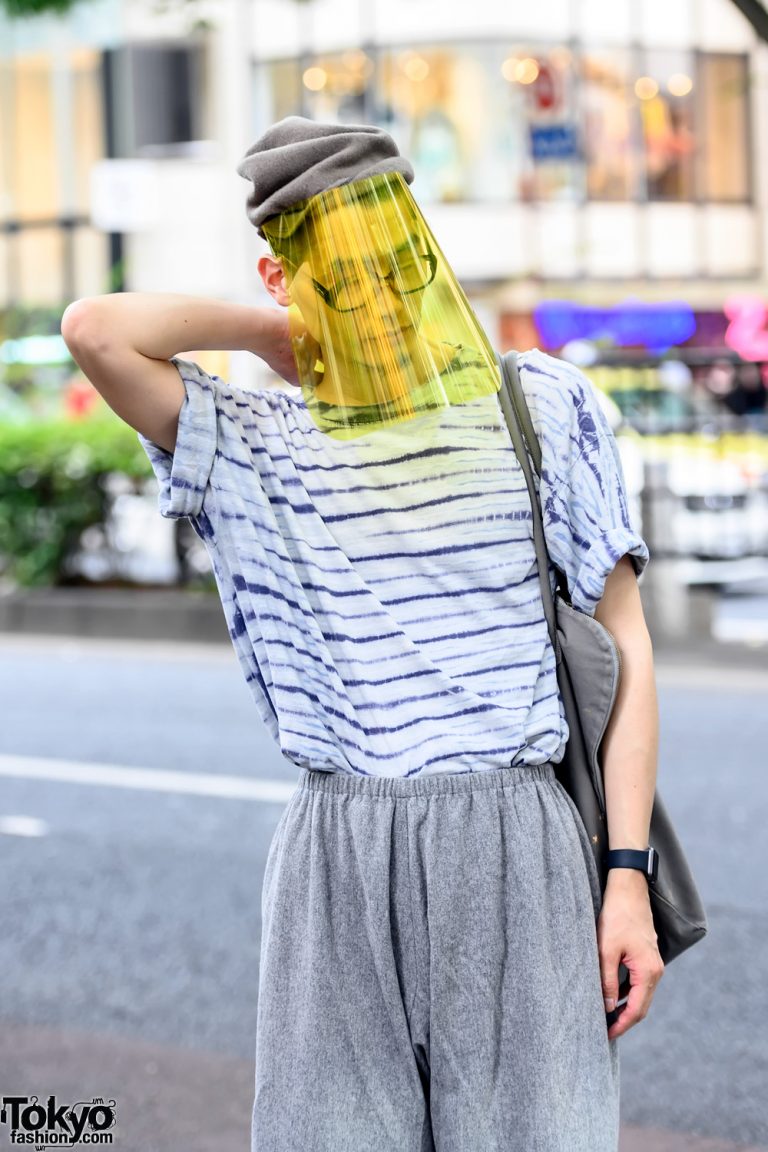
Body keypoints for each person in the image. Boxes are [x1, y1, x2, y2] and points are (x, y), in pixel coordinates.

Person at [61, 116, 664, 1152]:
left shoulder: (537, 405)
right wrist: (269, 332)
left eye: (397, 263)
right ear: (282, 273)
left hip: (518, 840)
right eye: (343, 274)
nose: (383, 301)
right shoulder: (257, 441)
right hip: (339, 851)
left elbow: (629, 647)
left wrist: (627, 878)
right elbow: (96, 329)